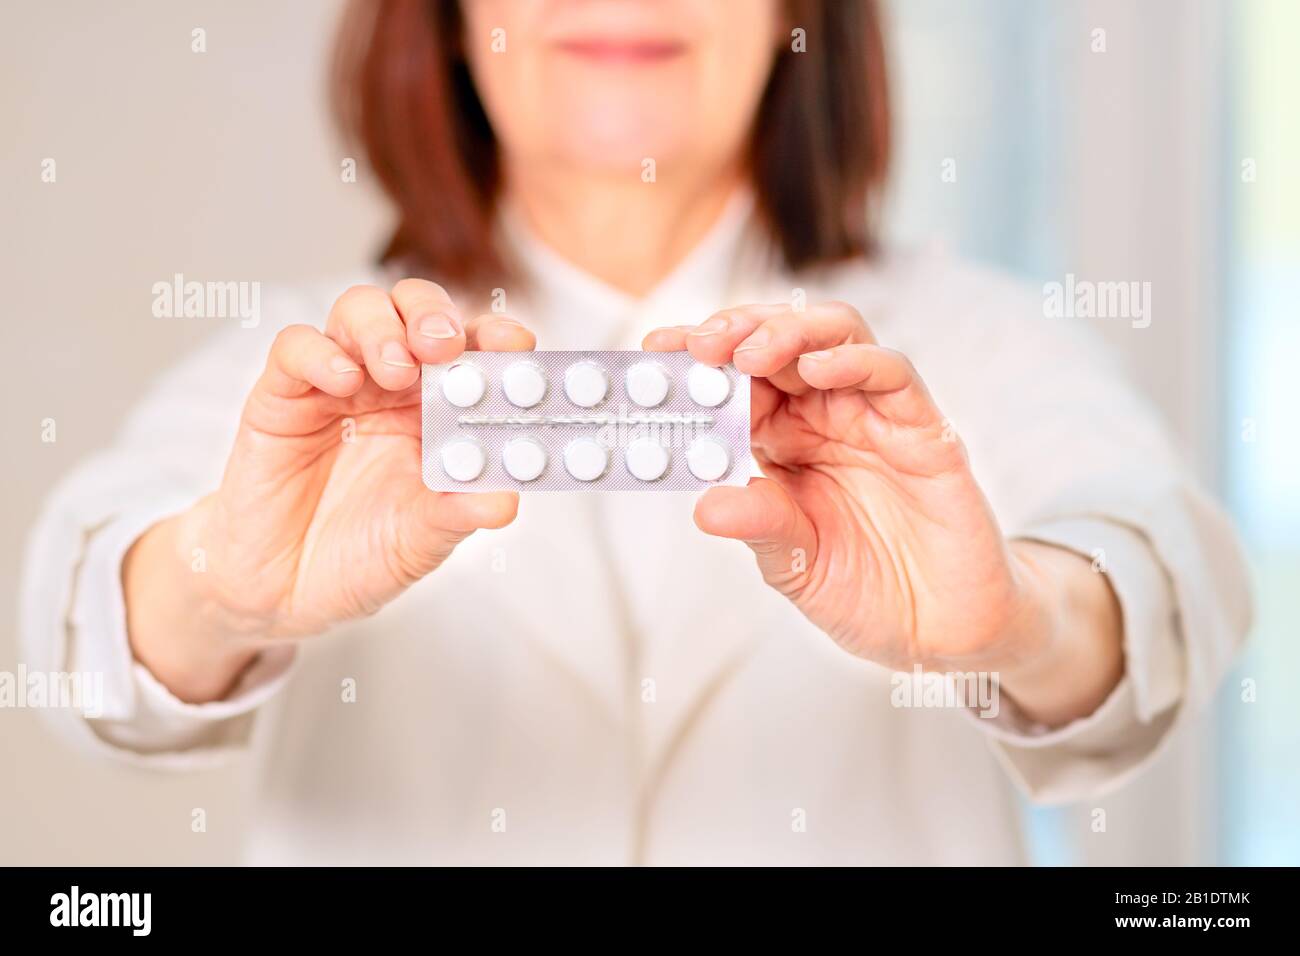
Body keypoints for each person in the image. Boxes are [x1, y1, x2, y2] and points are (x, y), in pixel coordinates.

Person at [22, 0, 1250, 864]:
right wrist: (215, 592)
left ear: (791, 16)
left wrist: (1017, 622)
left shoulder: (969, 336)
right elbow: (79, 620)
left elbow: (1170, 573)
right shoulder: (302, 367)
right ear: (448, 18)